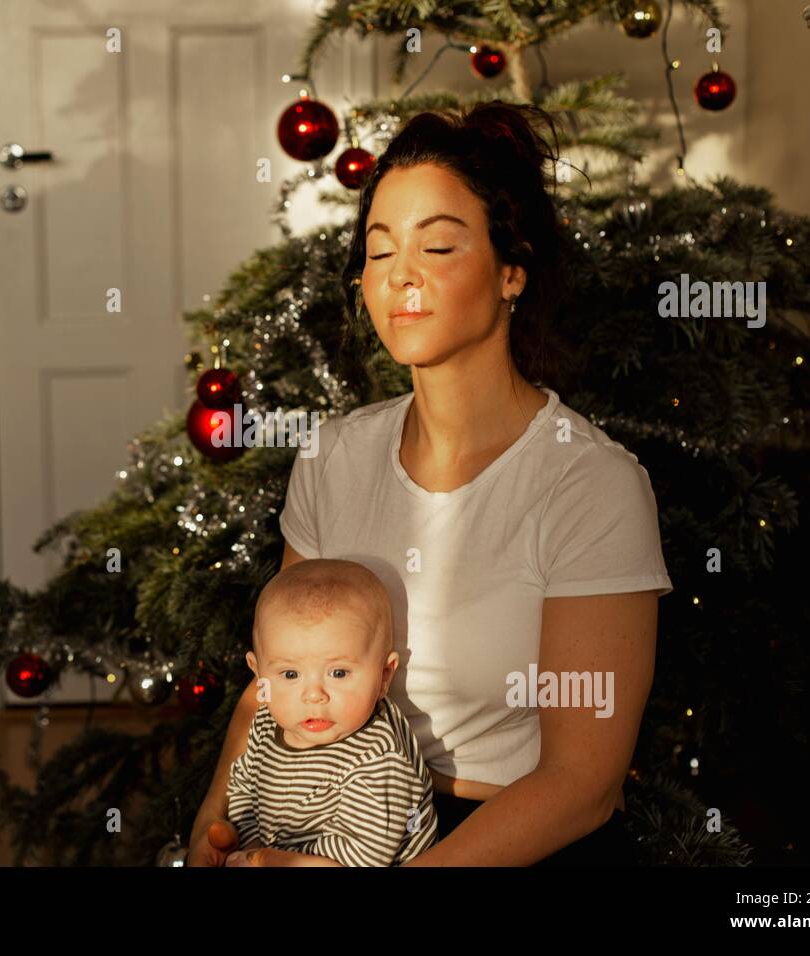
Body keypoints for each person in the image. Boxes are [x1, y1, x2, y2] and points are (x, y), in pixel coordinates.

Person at [189, 100, 672, 867]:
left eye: (438, 247)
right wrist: (214, 834)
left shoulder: (589, 485)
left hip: (500, 844)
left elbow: (583, 783)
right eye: (379, 254)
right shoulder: (334, 457)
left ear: (513, 271)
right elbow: (274, 689)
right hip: (319, 826)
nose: (401, 277)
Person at [222, 559, 438, 867]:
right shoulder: (265, 726)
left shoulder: (380, 759)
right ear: (259, 675)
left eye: (338, 673)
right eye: (290, 674)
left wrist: (273, 860)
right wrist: (250, 843)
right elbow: (243, 784)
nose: (314, 695)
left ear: (384, 676)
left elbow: (362, 855)